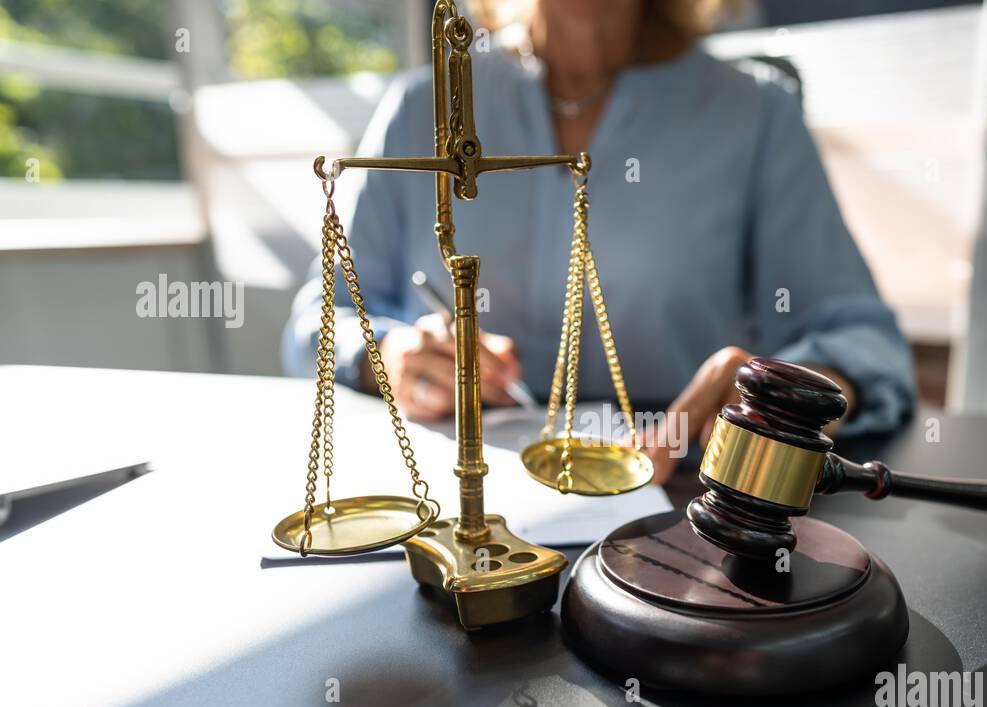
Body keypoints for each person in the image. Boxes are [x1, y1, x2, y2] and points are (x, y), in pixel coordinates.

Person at [283, 0, 915, 482]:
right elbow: (319, 319)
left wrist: (774, 397)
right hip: (453, 490)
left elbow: (865, 345)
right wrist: (387, 355)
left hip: (674, 494)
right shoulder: (422, 107)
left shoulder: (755, 114)